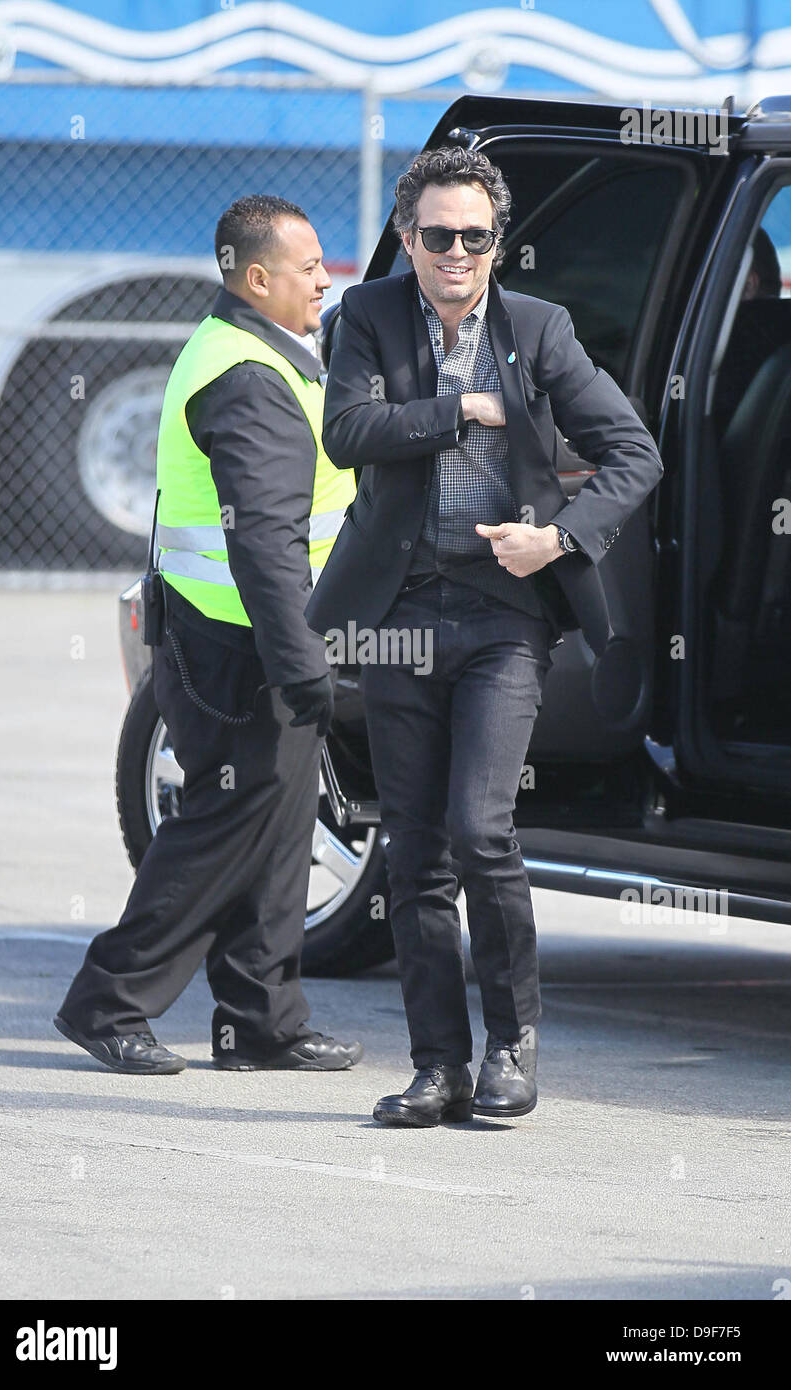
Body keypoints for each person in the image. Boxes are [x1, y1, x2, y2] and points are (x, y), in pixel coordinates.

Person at [306, 147, 663, 1127]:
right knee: (413, 850)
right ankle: (438, 1066)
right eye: (435, 235)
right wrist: (454, 410)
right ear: (409, 239)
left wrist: (557, 538)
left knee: (480, 829)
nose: (454, 252)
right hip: (400, 615)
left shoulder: (539, 329)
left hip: (503, 618)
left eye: (473, 236)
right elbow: (349, 433)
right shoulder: (370, 317)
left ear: (499, 243)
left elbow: (634, 451)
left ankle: (513, 1044)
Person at [55, 195, 360, 1076]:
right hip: (236, 641)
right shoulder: (246, 376)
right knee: (224, 826)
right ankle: (107, 999)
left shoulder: (265, 351)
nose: (324, 279)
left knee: (277, 826)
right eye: (308, 268)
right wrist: (303, 664)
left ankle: (261, 1022)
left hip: (248, 632)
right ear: (257, 278)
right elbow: (262, 539)